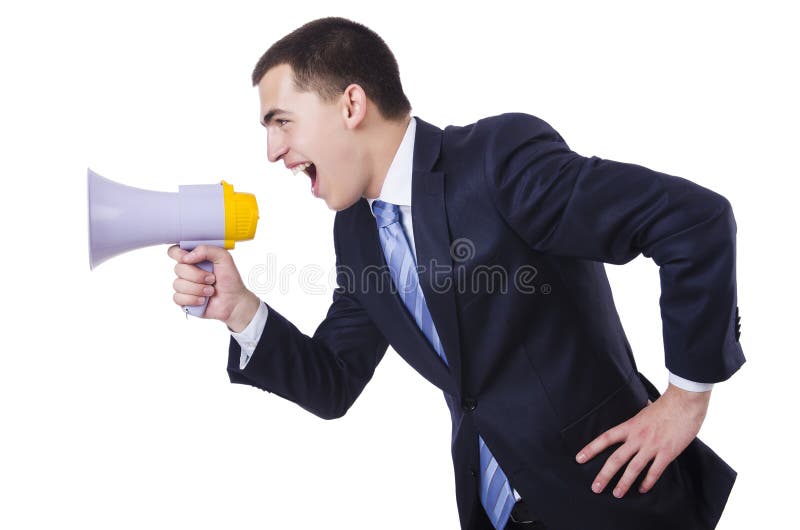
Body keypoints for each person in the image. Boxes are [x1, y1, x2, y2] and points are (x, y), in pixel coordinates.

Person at [168, 16, 745, 530]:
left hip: (609, 503)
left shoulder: (497, 160)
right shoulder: (358, 234)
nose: (272, 151)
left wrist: (685, 400)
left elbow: (694, 223)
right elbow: (335, 382)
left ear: (350, 105)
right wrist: (239, 308)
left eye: (281, 122)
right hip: (493, 513)